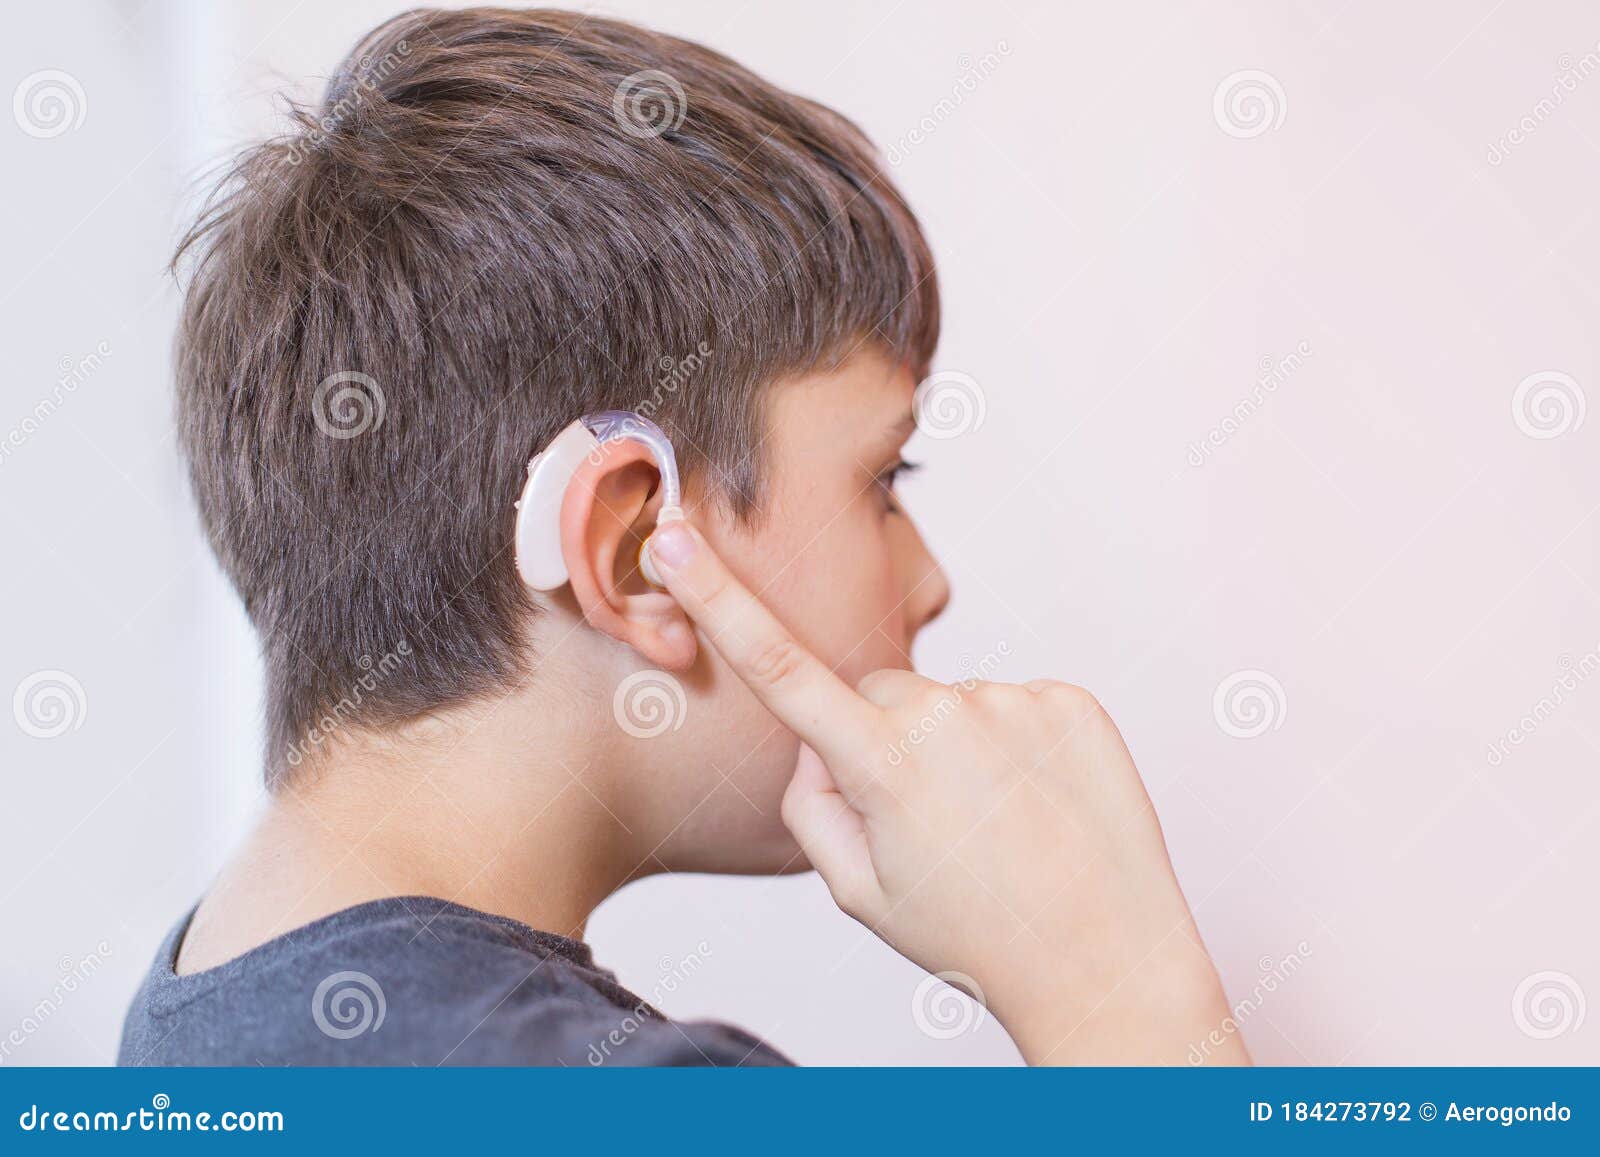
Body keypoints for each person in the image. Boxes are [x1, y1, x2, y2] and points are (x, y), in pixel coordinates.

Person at [119, 6, 1247, 1067]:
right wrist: (1121, 999)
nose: (930, 578)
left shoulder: (206, 996)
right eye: (883, 477)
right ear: (632, 548)